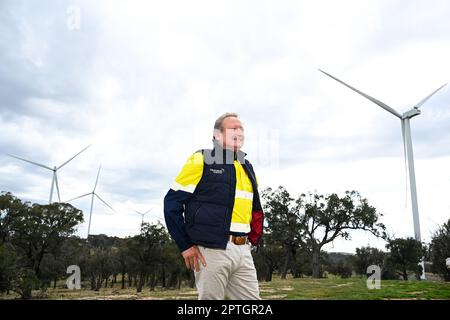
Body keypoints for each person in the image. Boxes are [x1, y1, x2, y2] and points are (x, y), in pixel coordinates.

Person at [164, 112, 264, 300]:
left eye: (241, 128)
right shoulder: (202, 159)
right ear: (217, 135)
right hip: (211, 250)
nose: (239, 131)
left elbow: (254, 209)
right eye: (233, 128)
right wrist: (185, 246)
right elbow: (171, 203)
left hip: (244, 251)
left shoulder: (247, 166)